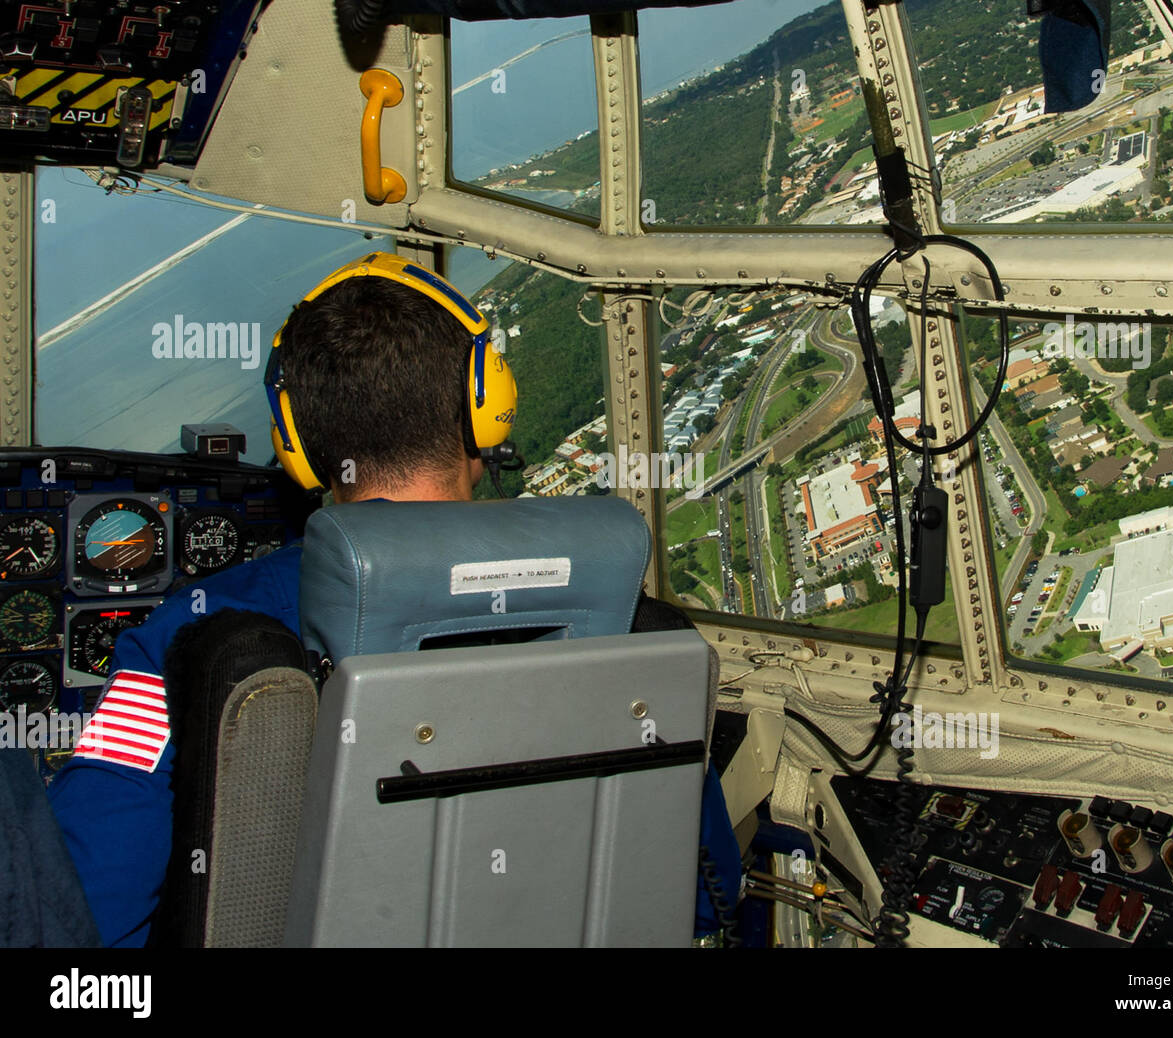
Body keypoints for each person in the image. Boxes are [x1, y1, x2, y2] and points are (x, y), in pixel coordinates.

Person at [48, 253, 740, 946]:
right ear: (485, 412)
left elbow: (81, 909)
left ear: (297, 445)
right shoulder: (614, 614)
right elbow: (703, 893)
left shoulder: (187, 642)